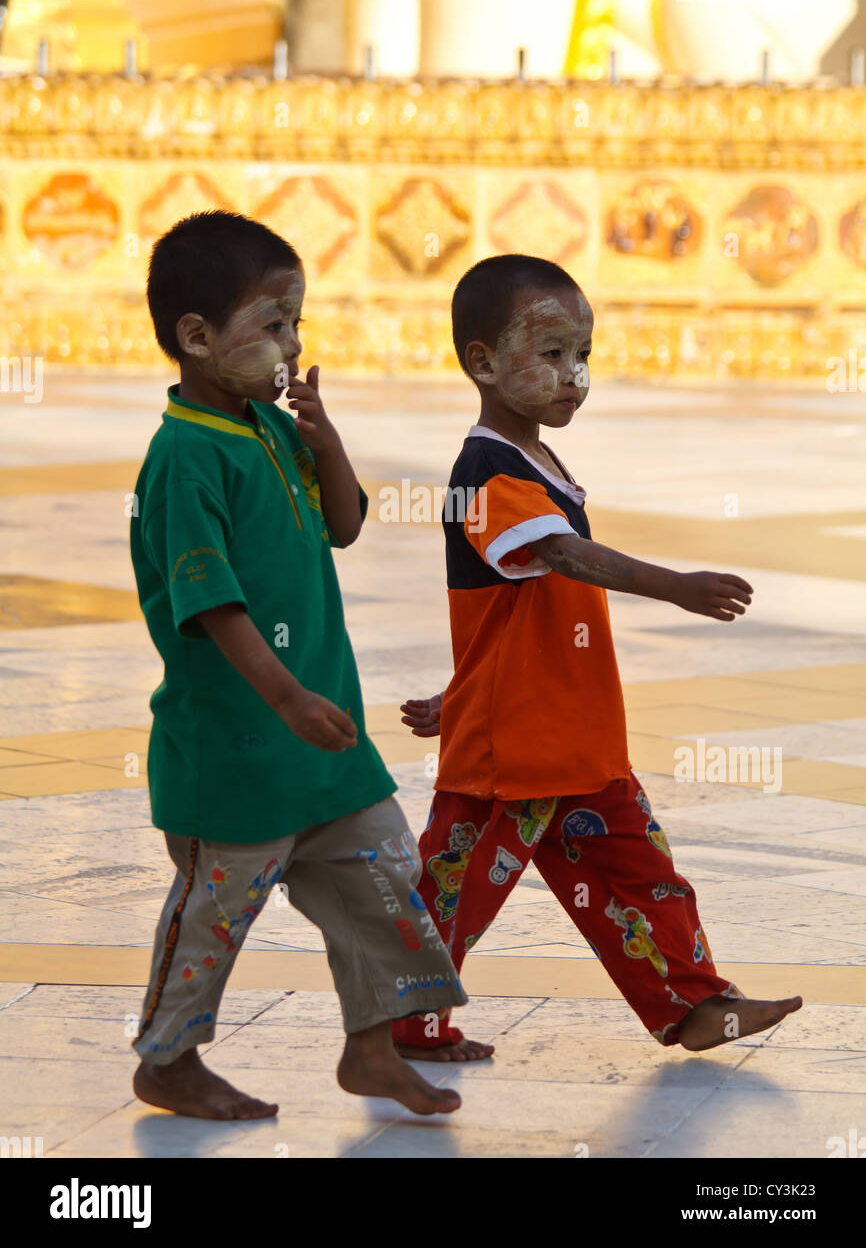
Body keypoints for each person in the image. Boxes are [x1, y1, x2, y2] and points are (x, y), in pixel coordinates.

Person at [392, 253, 802, 1062]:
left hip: (578, 743)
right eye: (550, 354)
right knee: (452, 894)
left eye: (583, 356)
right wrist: (675, 584)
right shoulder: (485, 469)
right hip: (511, 753)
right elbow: (559, 557)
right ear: (481, 362)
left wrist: (458, 690)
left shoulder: (540, 461)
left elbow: (512, 614)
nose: (574, 375)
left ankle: (695, 1006)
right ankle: (401, 1025)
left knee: (645, 881)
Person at [129, 210, 466, 1118]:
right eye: (272, 324)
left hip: (325, 748)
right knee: (215, 915)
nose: (292, 345)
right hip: (238, 751)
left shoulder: (273, 433)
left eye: (296, 324)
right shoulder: (185, 457)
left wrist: (325, 438)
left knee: (385, 883)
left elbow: (345, 526)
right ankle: (167, 1058)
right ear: (196, 338)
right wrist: (285, 699)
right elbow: (213, 602)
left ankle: (372, 1050)